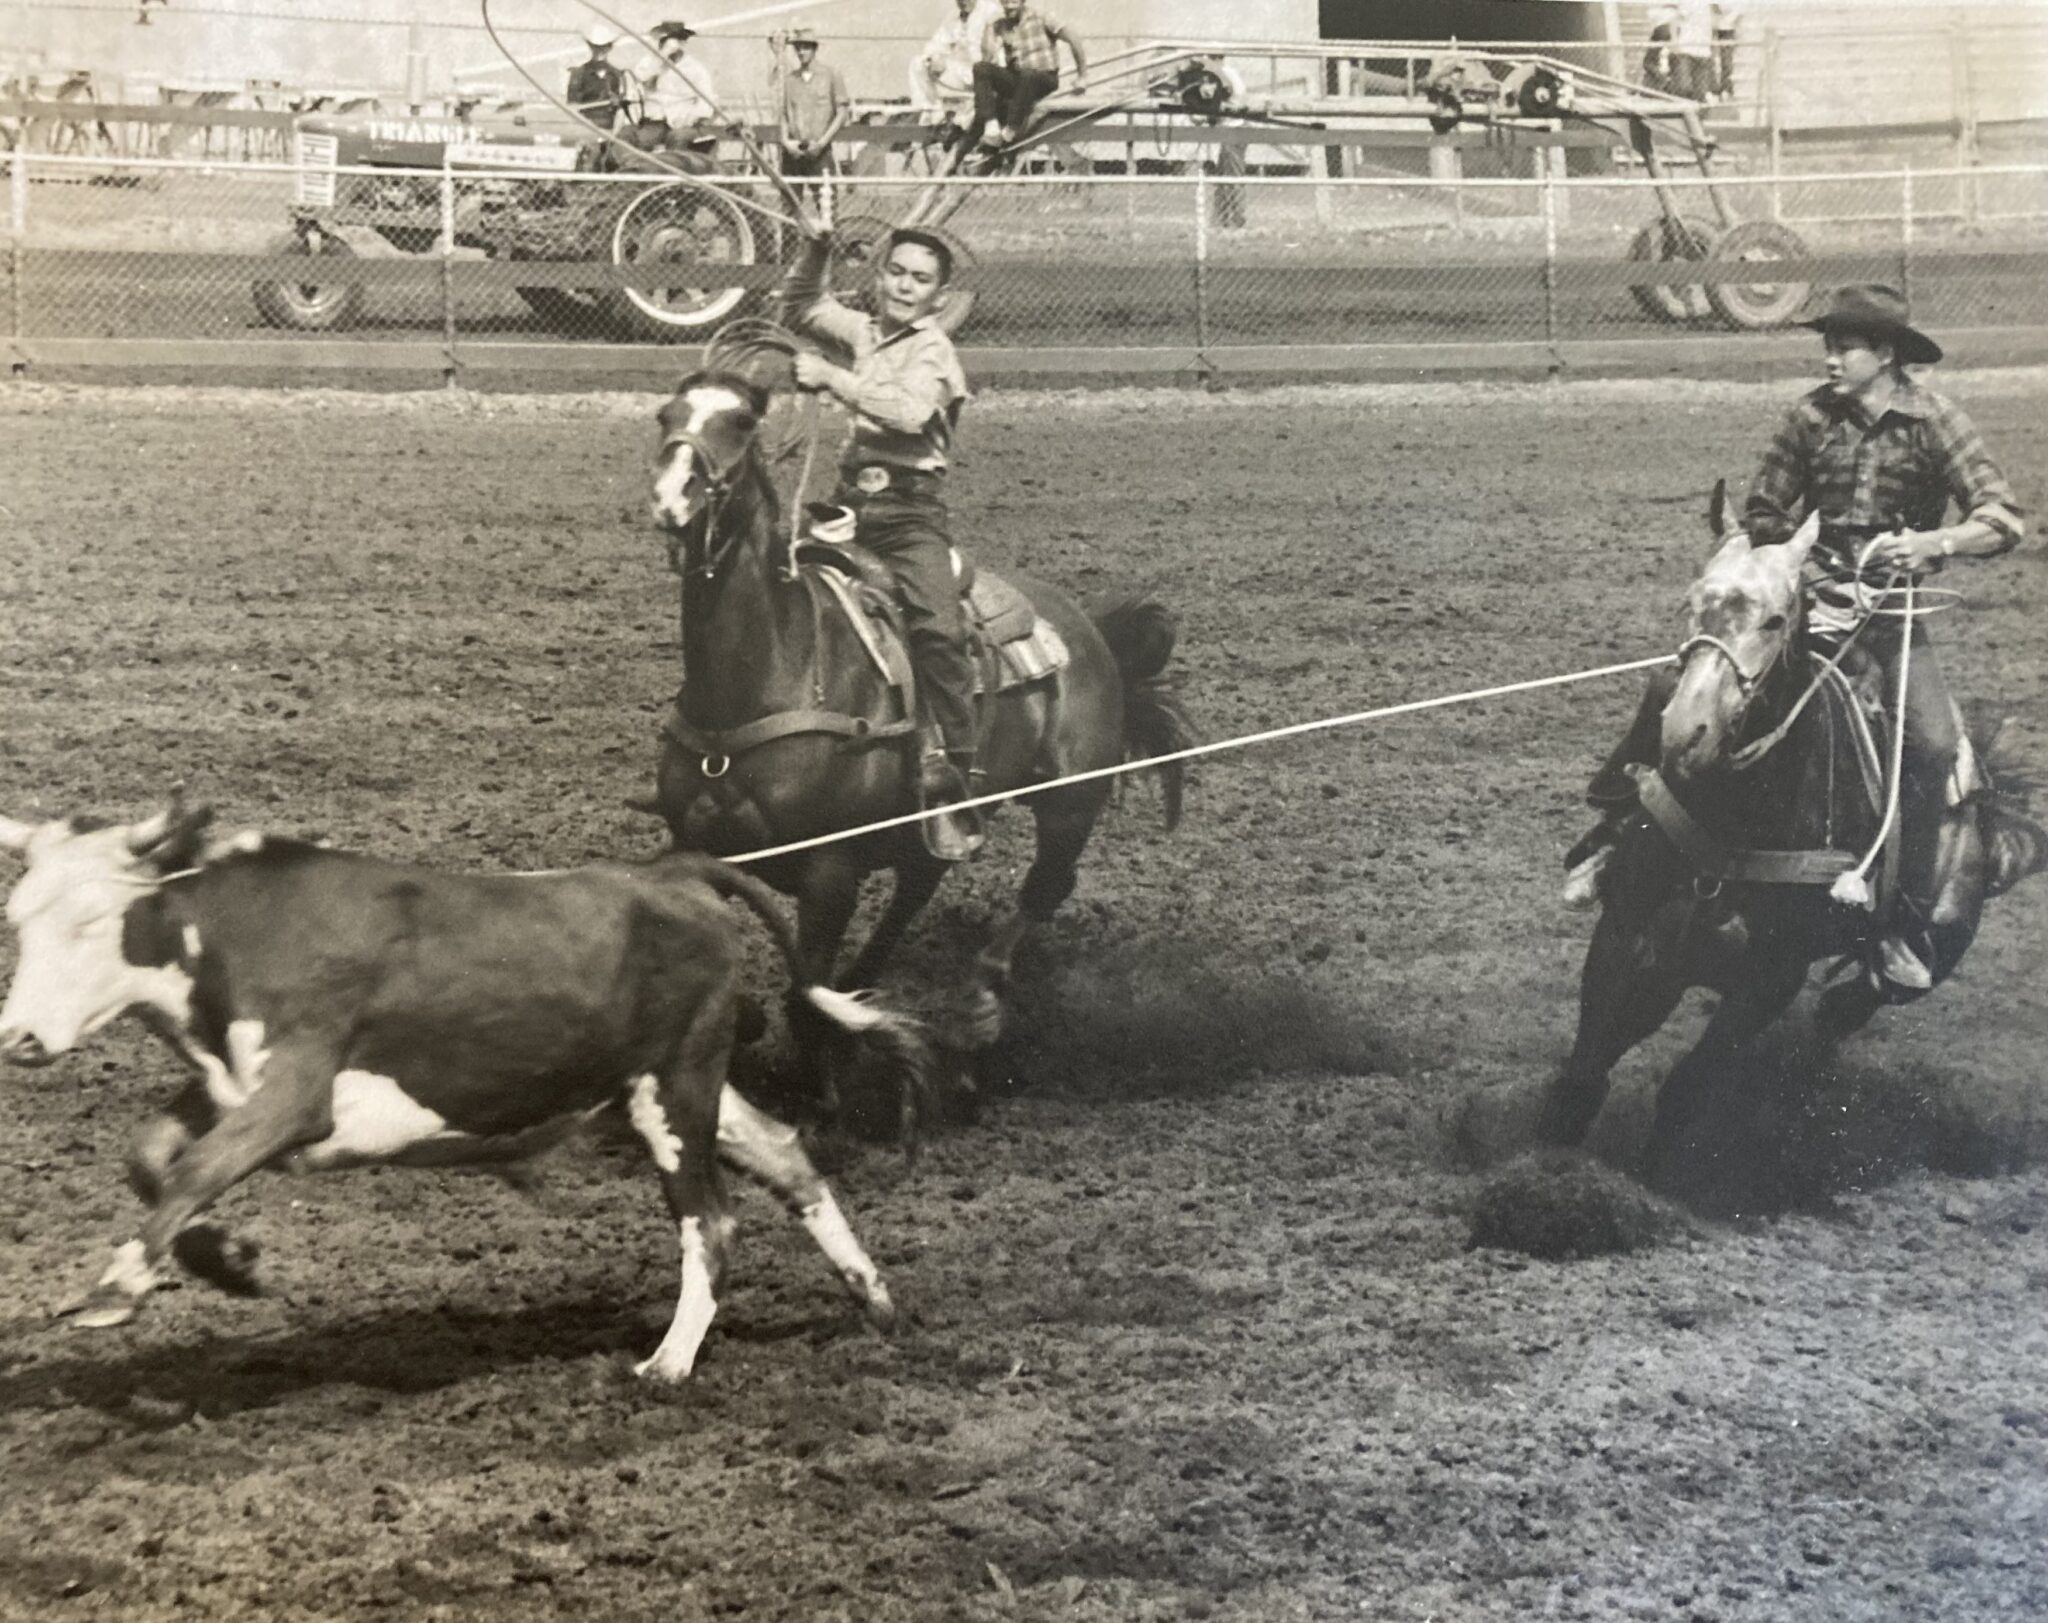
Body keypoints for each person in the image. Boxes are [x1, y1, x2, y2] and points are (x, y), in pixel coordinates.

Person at [1564, 285, 2026, 989]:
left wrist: (1935, 541)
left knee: (1930, 743)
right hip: (1803, 609)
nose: (1831, 358)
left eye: (1845, 346)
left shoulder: (1936, 422)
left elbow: (2003, 519)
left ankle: (1896, 919)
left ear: (1888, 353)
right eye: (1829, 345)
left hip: (1888, 620)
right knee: (1681, 685)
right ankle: (1616, 831)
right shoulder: (1810, 415)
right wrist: (1787, 562)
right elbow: (1765, 505)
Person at [783, 227, 981, 858]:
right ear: (880, 275)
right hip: (848, 505)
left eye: (919, 279)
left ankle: (960, 771)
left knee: (936, 630)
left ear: (938, 294)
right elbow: (801, 309)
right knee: (787, 602)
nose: (904, 285)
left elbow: (910, 414)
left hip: (908, 515)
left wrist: (830, 377)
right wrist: (817, 250)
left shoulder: (934, 350)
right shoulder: (865, 330)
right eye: (896, 272)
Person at [958, 0, 1086, 172]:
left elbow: (1074, 39)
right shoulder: (1001, 24)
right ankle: (992, 128)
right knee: (981, 69)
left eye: (1014, 2)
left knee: (1028, 74)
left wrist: (1082, 76)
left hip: (1044, 77)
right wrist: (990, 27)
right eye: (1005, 3)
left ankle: (1011, 130)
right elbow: (987, 58)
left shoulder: (1042, 16)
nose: (1010, 7)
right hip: (1019, 80)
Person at [911, 0, 1001, 150]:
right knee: (919, 63)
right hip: (962, 73)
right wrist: (933, 58)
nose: (963, 2)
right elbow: (936, 44)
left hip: (986, 74)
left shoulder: (991, 11)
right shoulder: (953, 18)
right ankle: (932, 110)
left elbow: (997, 48)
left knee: (981, 72)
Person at [631, 21, 720, 155]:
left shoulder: (695, 69)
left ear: (681, 43)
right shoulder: (651, 62)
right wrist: (663, 55)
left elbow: (706, 101)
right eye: (662, 41)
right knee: (639, 139)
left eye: (668, 41)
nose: (664, 45)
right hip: (656, 122)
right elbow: (640, 77)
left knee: (677, 139)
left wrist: (690, 119)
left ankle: (672, 173)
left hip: (684, 122)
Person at [779, 27, 849, 193]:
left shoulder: (831, 75)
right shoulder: (790, 80)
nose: (801, 52)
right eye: (798, 48)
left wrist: (822, 142)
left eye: (806, 47)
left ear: (814, 49)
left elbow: (842, 112)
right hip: (794, 152)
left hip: (819, 152)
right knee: (789, 208)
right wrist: (786, 142)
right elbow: (783, 114)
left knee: (827, 206)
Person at [565, 25, 631, 131]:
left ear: (610, 48)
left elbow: (622, 108)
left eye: (604, 47)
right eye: (596, 47)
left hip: (611, 128)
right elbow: (572, 106)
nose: (599, 51)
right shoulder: (578, 74)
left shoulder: (618, 74)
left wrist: (617, 103)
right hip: (584, 126)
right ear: (591, 47)